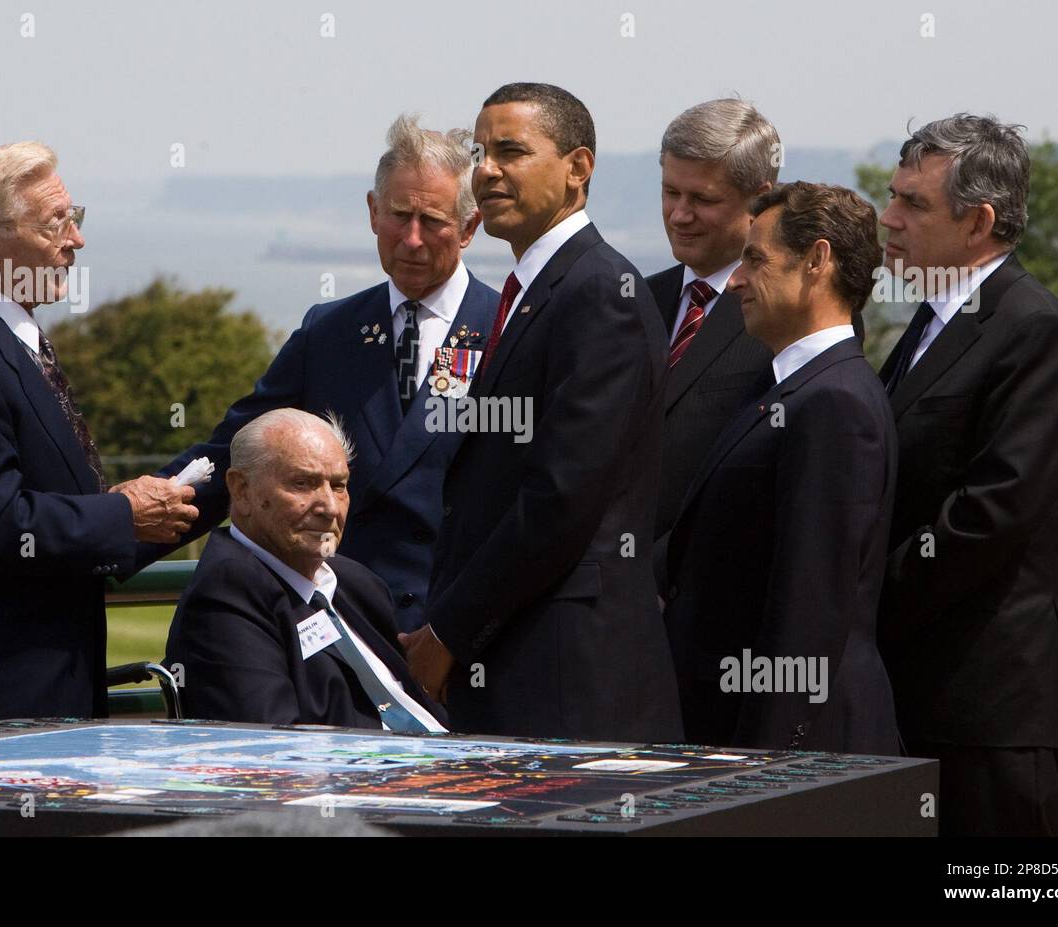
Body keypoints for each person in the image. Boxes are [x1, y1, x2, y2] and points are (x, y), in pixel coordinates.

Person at [0, 141, 197, 730]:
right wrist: (123, 514)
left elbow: (44, 508)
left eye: (75, 217)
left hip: (36, 705)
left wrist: (228, 468)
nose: (76, 239)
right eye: (56, 223)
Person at [400, 82, 682, 742]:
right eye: (480, 151)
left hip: (564, 669)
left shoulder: (597, 293)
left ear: (578, 167)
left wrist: (448, 632)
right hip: (519, 656)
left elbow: (560, 497)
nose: (487, 169)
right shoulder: (536, 291)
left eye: (511, 151)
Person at [150, 116, 498, 632]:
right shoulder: (329, 331)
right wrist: (120, 532)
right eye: (399, 216)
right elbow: (232, 454)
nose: (413, 240)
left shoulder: (506, 330)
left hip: (459, 640)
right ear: (372, 212)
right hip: (344, 632)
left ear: (469, 229)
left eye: (434, 222)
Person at [876, 114, 1058, 836]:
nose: (890, 218)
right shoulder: (928, 322)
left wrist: (863, 595)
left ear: (979, 222)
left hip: (991, 716)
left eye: (913, 203)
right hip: (921, 701)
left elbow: (990, 516)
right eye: (893, 195)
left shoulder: (1035, 330)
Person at [663, 181, 900, 754]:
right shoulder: (798, 389)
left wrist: (767, 767)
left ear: (817, 260)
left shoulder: (832, 403)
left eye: (755, 259)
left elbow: (810, 607)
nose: (736, 281)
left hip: (796, 747)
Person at [164, 409, 445, 731]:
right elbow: (275, 752)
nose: (329, 507)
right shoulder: (228, 591)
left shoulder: (356, 582)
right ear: (241, 490)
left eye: (339, 486)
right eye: (303, 484)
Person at [646, 99, 777, 591]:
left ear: (759, 200)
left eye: (702, 199)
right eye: (670, 192)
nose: (680, 215)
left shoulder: (790, 315)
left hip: (716, 599)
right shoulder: (636, 299)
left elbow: (761, 481)